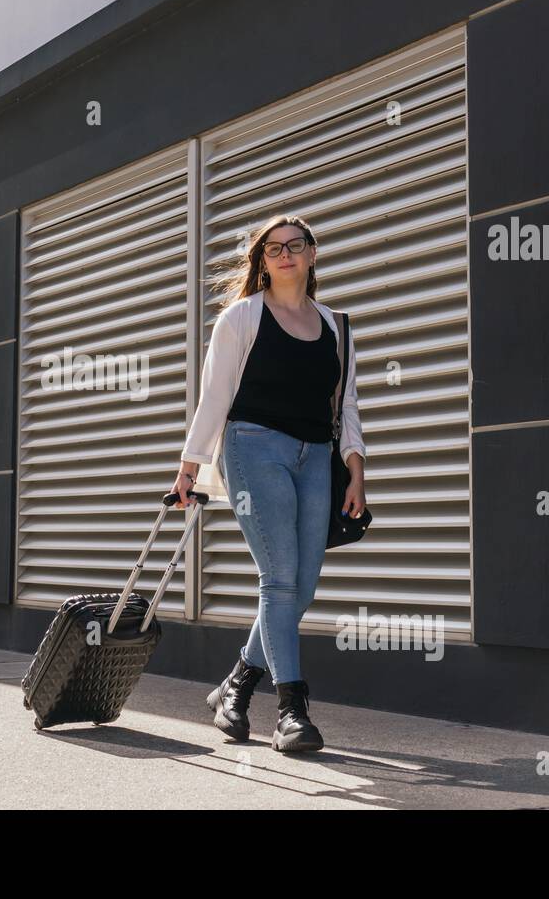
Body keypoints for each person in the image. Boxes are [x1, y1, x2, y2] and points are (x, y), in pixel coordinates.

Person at [172, 214, 366, 753]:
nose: (283, 254)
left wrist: (357, 471)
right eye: (272, 247)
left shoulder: (336, 327)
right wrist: (190, 466)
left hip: (315, 457)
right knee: (279, 578)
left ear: (311, 254)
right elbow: (214, 397)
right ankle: (291, 711)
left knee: (300, 588)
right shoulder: (242, 317)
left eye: (294, 245)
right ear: (262, 259)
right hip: (254, 447)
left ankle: (236, 685)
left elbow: (346, 406)